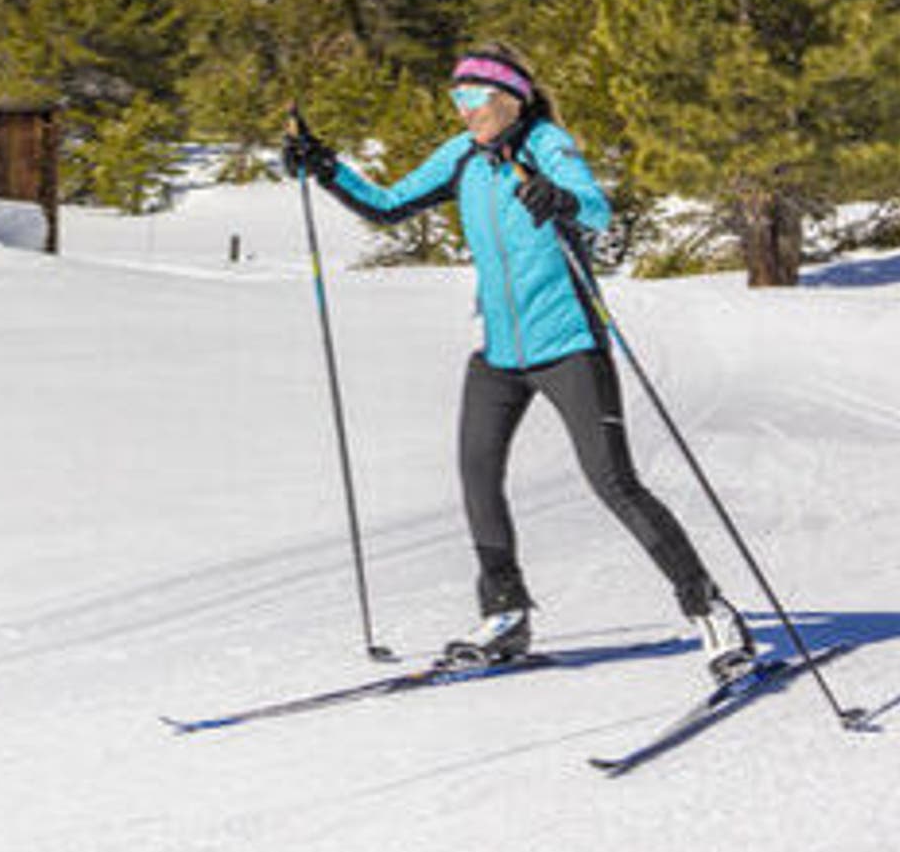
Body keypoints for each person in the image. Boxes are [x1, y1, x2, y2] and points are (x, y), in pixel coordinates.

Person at [282, 47, 752, 676]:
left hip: (568, 346)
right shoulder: (462, 158)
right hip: (500, 354)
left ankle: (711, 611)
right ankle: (506, 615)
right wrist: (327, 168)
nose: (465, 111)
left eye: (474, 99)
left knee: (613, 482)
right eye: (457, 101)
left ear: (511, 98)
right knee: (478, 475)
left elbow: (596, 208)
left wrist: (557, 198)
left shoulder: (546, 144)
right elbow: (389, 204)